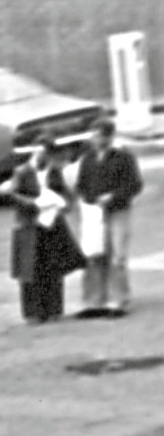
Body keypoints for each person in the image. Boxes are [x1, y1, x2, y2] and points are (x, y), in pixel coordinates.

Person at [9, 140, 85, 325]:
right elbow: (13, 194)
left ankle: (53, 310)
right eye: (39, 154)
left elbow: (65, 192)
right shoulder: (23, 172)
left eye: (46, 155)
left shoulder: (53, 172)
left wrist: (64, 203)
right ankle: (33, 313)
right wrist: (32, 203)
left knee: (52, 267)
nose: (43, 158)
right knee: (31, 270)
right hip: (30, 224)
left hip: (51, 223)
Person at [73, 116, 143, 318]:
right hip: (95, 212)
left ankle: (119, 299)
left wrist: (113, 196)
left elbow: (134, 184)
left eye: (98, 136)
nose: (94, 140)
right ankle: (94, 300)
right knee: (95, 255)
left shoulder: (123, 157)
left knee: (117, 254)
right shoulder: (88, 159)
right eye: (93, 136)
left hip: (118, 210)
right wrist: (88, 199)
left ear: (108, 136)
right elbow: (81, 184)